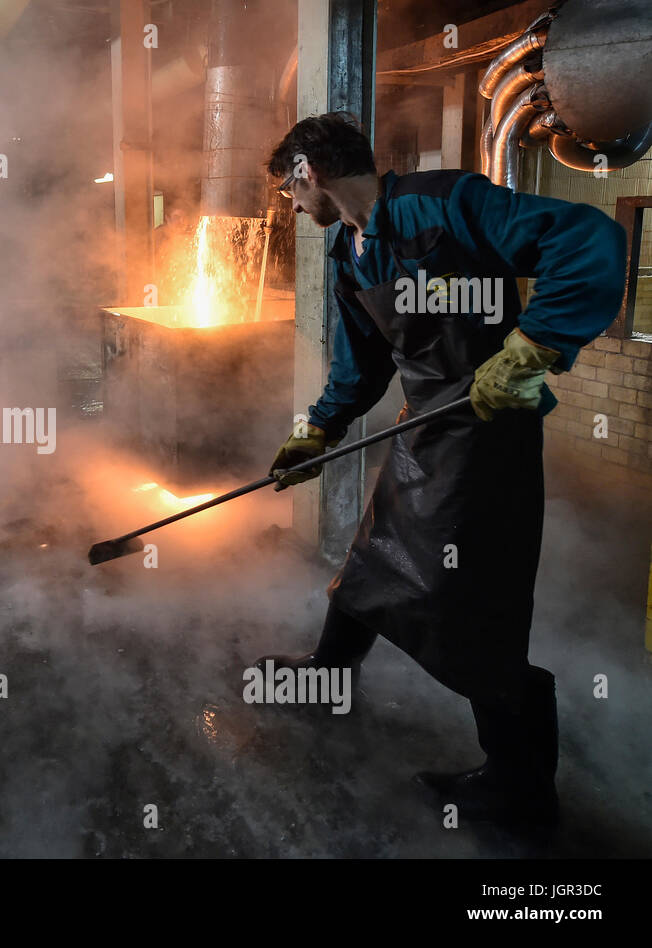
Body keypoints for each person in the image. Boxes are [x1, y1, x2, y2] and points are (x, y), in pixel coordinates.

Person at [259, 112, 626, 828]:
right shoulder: (349, 255)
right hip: (425, 429)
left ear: (309, 172)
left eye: (288, 190)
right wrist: (316, 430)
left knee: (473, 605)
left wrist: (533, 346)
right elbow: (360, 367)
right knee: (370, 558)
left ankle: (521, 785)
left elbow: (591, 238)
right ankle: (330, 673)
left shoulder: (446, 202)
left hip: (490, 436)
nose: (290, 205)